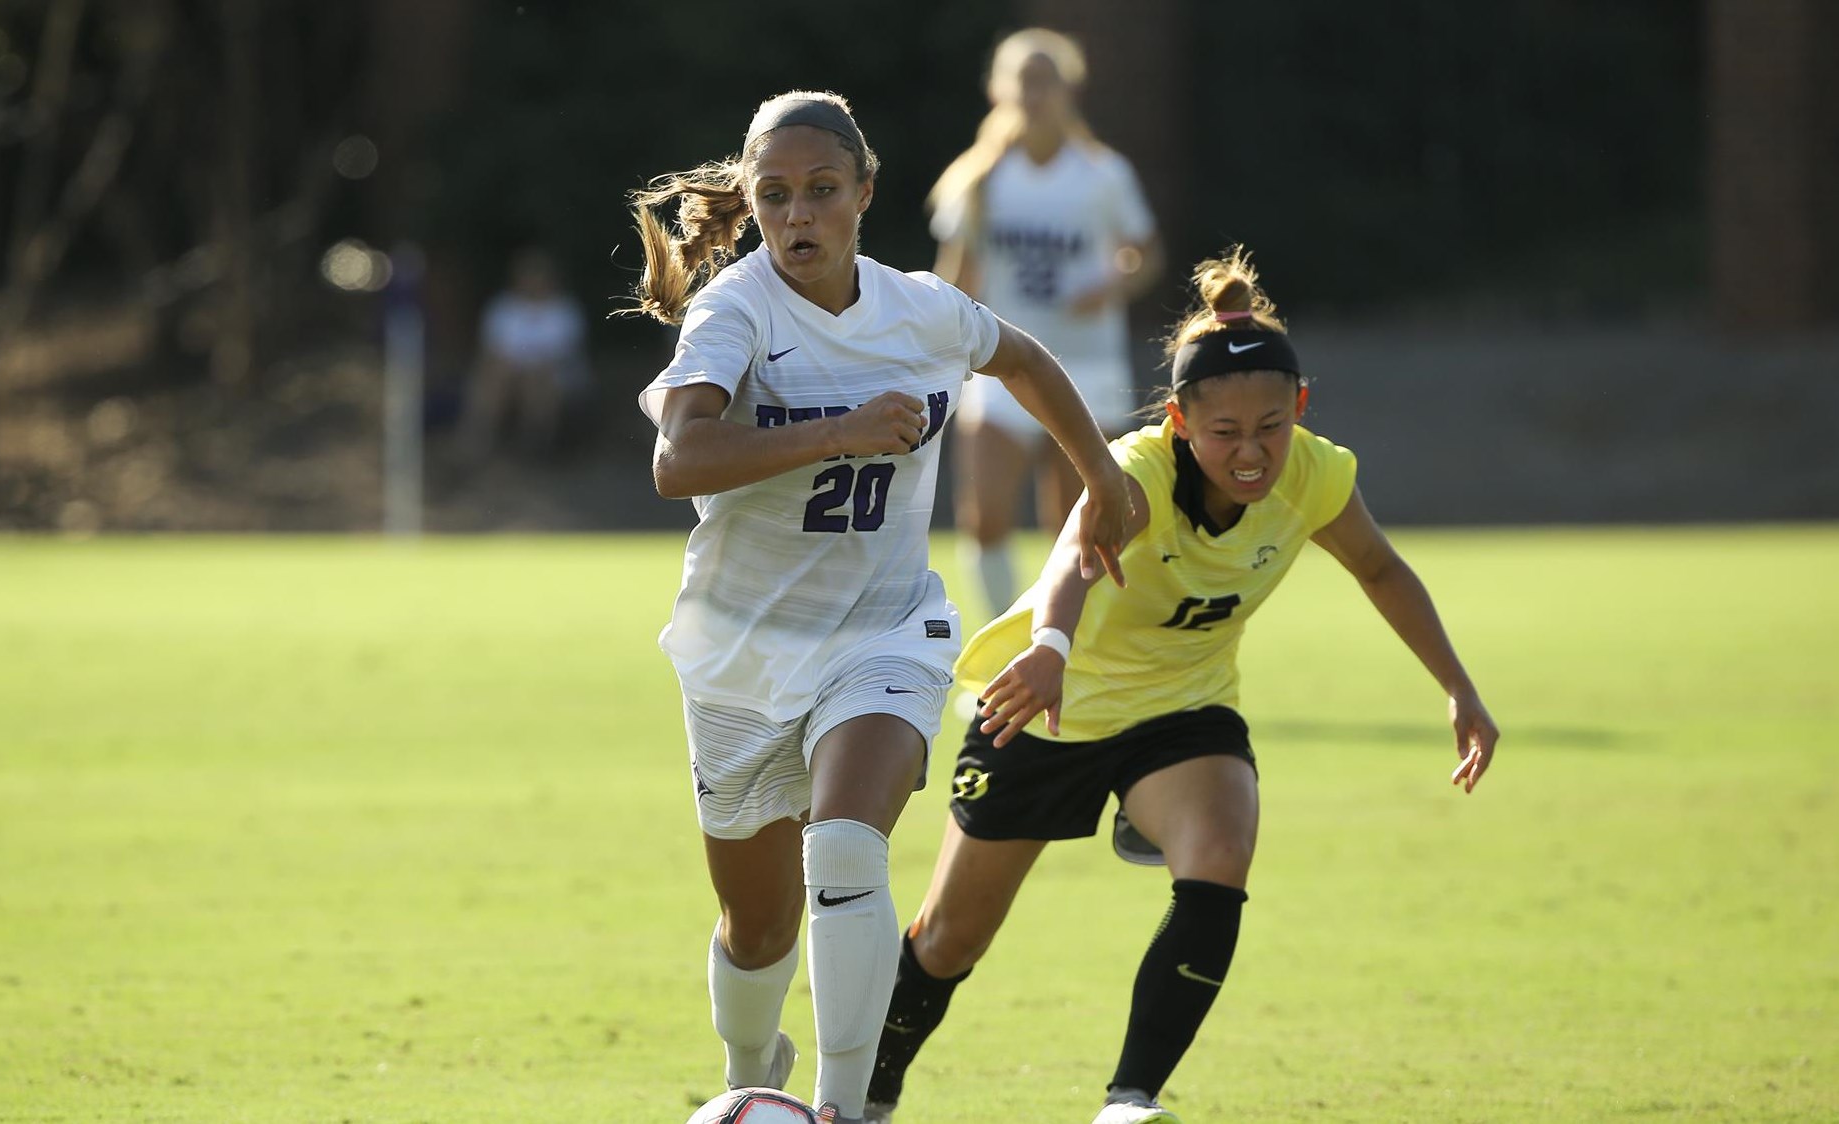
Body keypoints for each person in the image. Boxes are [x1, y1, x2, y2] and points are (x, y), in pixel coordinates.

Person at [863, 248, 1502, 1124]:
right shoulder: (1137, 473)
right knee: (949, 939)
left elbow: (1382, 571)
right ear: (1178, 422)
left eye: (1271, 426)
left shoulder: (1315, 474)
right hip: (1050, 707)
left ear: (1300, 408)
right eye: (1225, 432)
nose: (1251, 452)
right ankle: (868, 1093)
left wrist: (1458, 689)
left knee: (1219, 857)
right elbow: (1073, 560)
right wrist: (1049, 643)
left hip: (1181, 712)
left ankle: (1130, 1100)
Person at [625, 90, 1135, 1124]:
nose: (798, 214)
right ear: (755, 207)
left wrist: (1100, 480)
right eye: (775, 196)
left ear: (865, 192)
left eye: (821, 190)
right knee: (756, 927)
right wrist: (840, 431)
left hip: (885, 628)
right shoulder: (739, 311)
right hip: (739, 650)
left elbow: (1024, 358)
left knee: (848, 847)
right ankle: (746, 1070)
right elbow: (678, 461)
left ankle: (846, 1110)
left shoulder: (921, 308)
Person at [930, 28, 1164, 619]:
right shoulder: (978, 178)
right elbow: (955, 279)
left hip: (1085, 367)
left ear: (1069, 88)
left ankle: (1062, 646)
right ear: (999, 90)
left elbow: (1146, 256)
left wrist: (1111, 282)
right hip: (1003, 368)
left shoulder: (1103, 174)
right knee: (983, 518)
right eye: (1023, 79)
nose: (1034, 93)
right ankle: (1001, 644)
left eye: (1046, 79)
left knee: (1074, 522)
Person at [453, 247, 591, 467]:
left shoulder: (565, 311)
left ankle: (535, 447)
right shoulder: (502, 308)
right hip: (509, 375)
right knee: (492, 377)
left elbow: (562, 358)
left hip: (553, 379)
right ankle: (475, 443)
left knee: (537, 382)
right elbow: (490, 353)